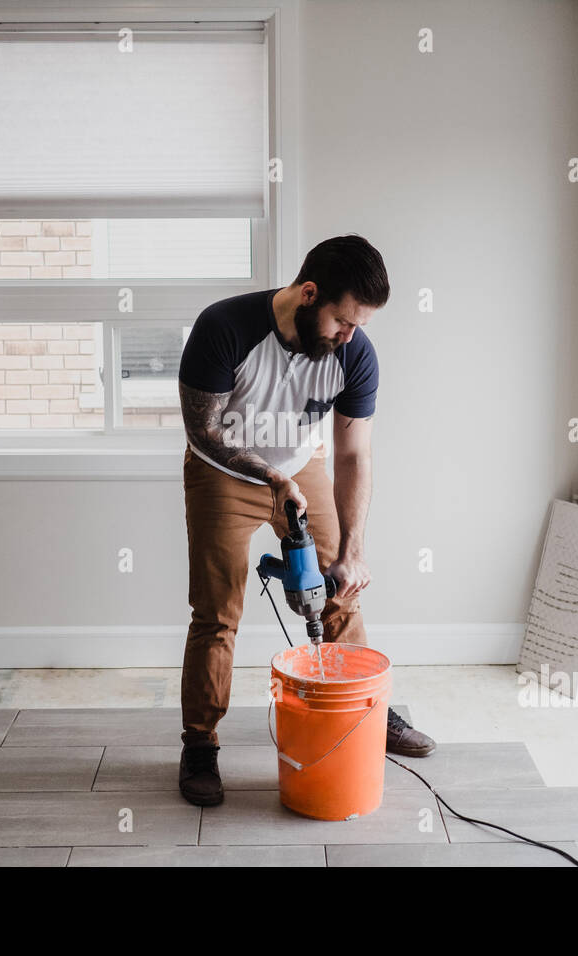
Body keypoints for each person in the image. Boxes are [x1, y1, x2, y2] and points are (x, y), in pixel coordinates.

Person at [175, 234, 436, 807]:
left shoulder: (354, 352)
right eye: (343, 321)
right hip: (224, 470)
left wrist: (352, 551)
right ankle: (200, 743)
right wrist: (272, 480)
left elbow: (351, 454)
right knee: (217, 611)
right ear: (308, 294)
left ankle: (366, 711)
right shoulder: (224, 327)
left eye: (359, 325)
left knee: (341, 588)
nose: (350, 334)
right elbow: (205, 432)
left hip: (301, 463)